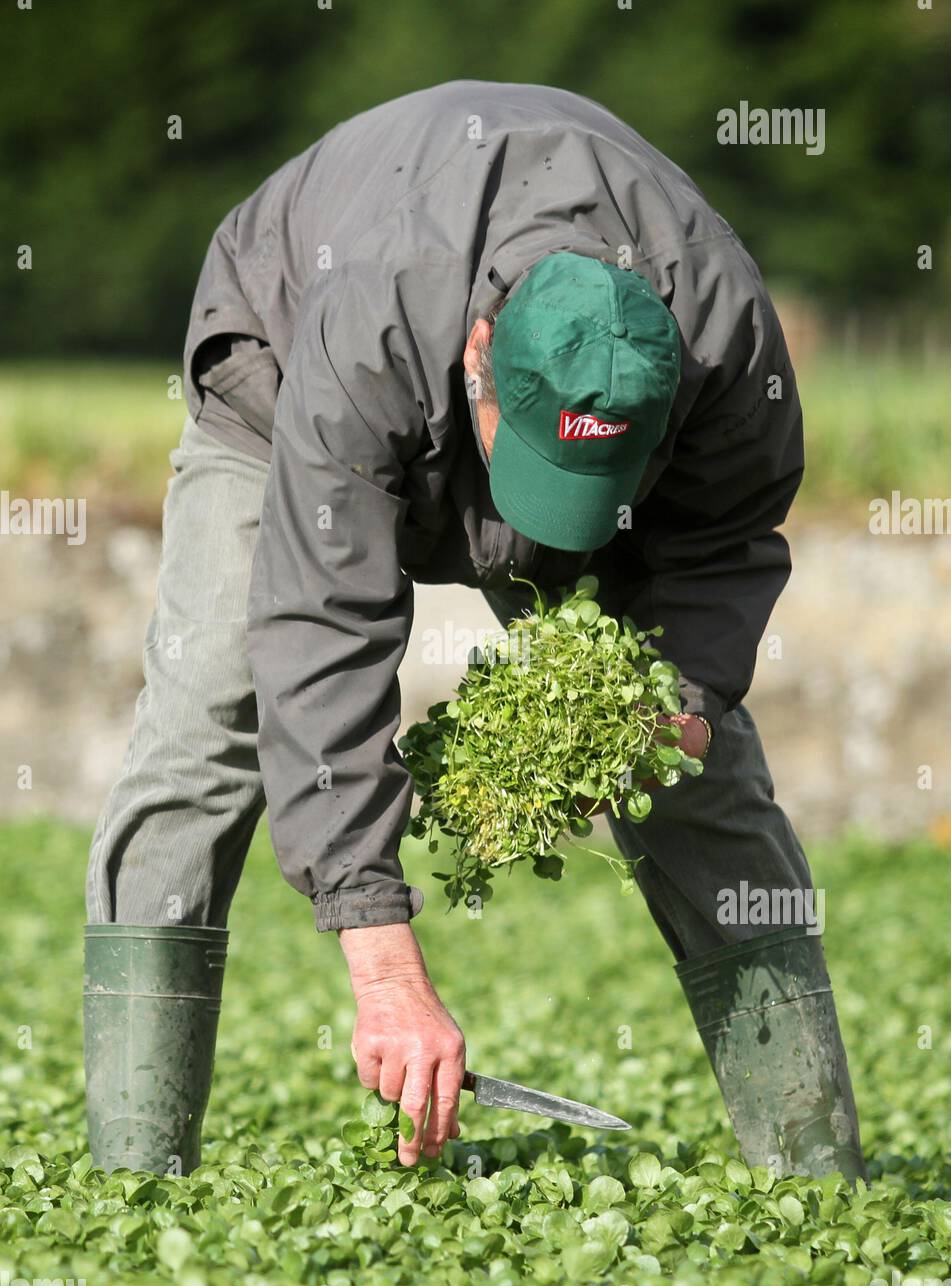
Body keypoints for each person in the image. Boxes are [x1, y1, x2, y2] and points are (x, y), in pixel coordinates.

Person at [83, 81, 865, 1181]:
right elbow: (320, 627)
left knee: (701, 772)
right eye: (538, 465)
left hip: (550, 401)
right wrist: (382, 957)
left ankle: (817, 1173)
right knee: (208, 715)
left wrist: (681, 699)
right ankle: (133, 1177)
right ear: (481, 355)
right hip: (284, 363)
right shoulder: (373, 325)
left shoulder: (725, 342)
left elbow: (725, 541)